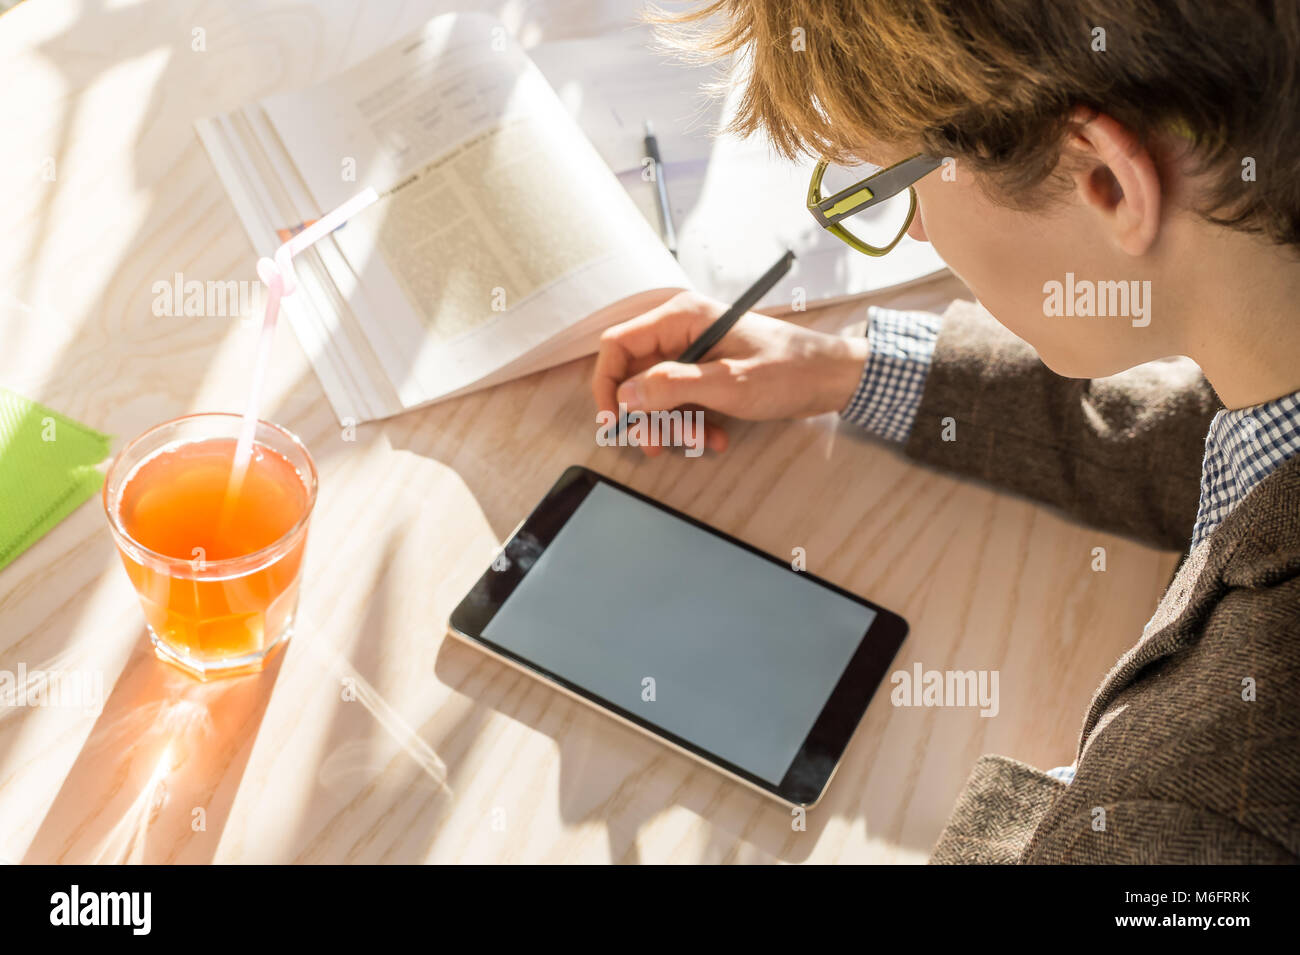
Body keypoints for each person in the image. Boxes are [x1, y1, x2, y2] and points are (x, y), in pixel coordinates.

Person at [592, 0, 1300, 863]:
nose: (919, 229)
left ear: (1106, 181)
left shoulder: (1199, 812)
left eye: (904, 187)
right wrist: (848, 368)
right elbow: (1210, 435)